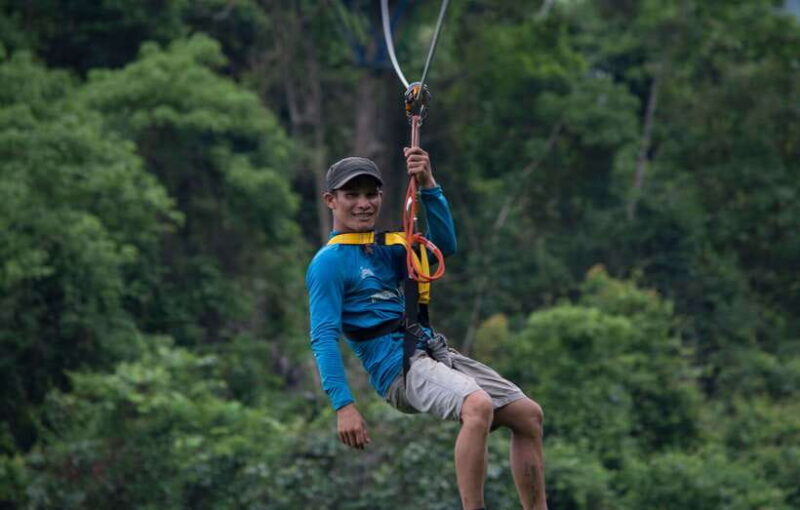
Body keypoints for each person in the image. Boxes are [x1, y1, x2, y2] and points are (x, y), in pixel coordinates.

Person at [305, 147, 548, 510]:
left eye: (370, 194)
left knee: (528, 415)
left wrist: (429, 183)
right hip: (397, 371)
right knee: (477, 405)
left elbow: (444, 245)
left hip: (431, 351)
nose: (363, 204)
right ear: (331, 200)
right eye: (351, 195)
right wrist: (344, 406)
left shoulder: (393, 244)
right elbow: (323, 337)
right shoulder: (329, 263)